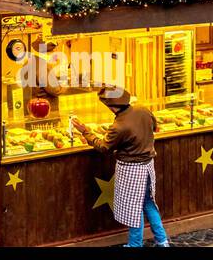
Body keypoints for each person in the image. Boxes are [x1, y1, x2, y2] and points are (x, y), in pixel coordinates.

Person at [71, 87, 169, 248]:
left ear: (110, 106)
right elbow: (154, 127)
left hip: (131, 169)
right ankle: (162, 240)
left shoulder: (119, 126)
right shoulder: (143, 110)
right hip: (148, 165)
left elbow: (103, 147)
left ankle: (135, 244)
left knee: (133, 209)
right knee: (148, 202)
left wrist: (86, 132)